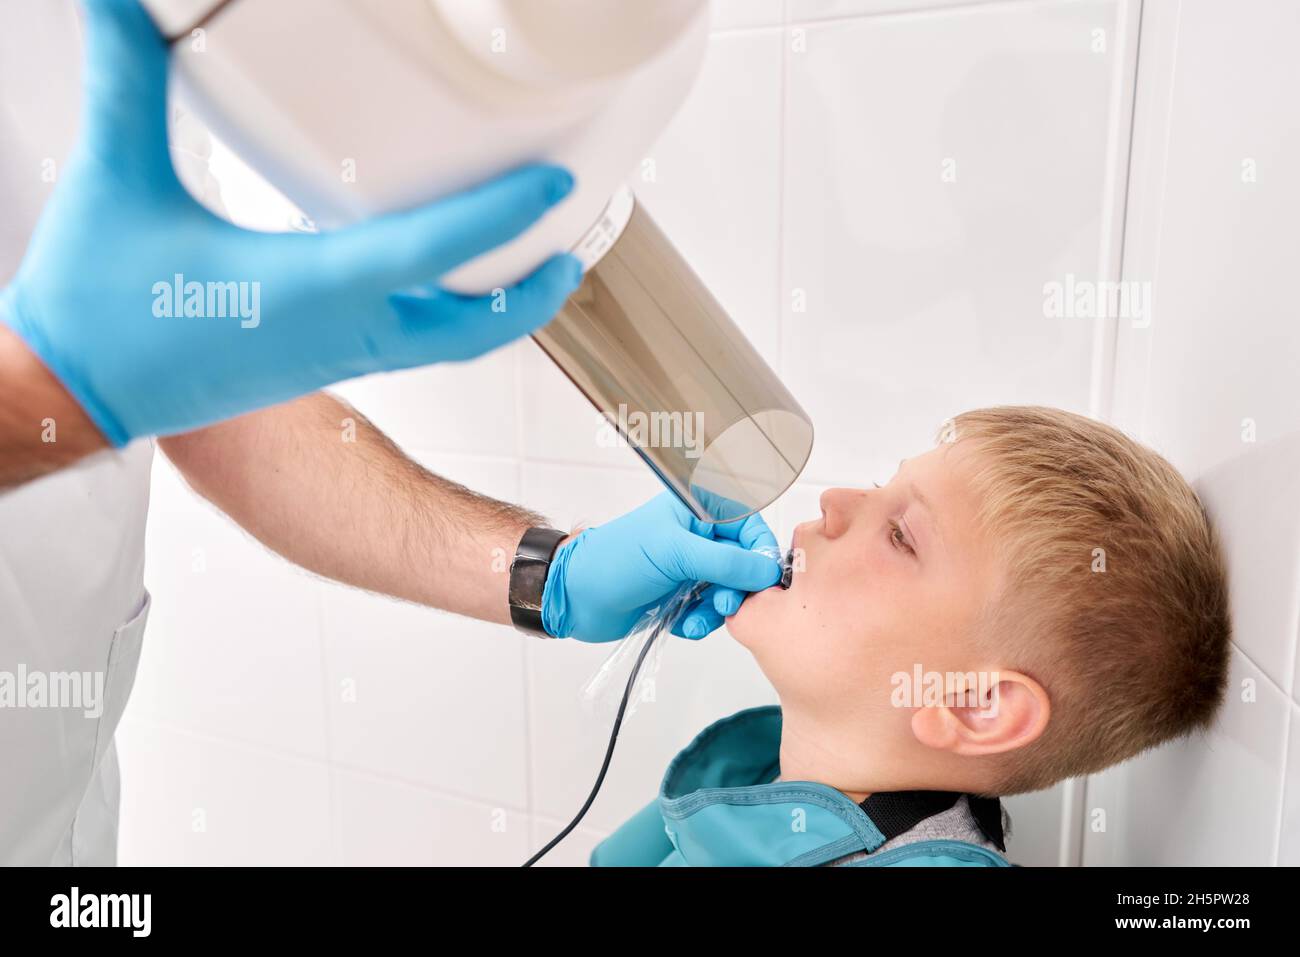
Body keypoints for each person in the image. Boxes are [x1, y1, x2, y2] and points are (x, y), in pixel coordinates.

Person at [0, 0, 780, 865]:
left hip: (55, 814)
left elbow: (191, 384)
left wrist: (542, 570)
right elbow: (128, 364)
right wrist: (57, 389)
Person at [591, 406, 1231, 866]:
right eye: (877, 487)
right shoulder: (749, 774)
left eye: (901, 534)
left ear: (975, 707)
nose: (834, 501)